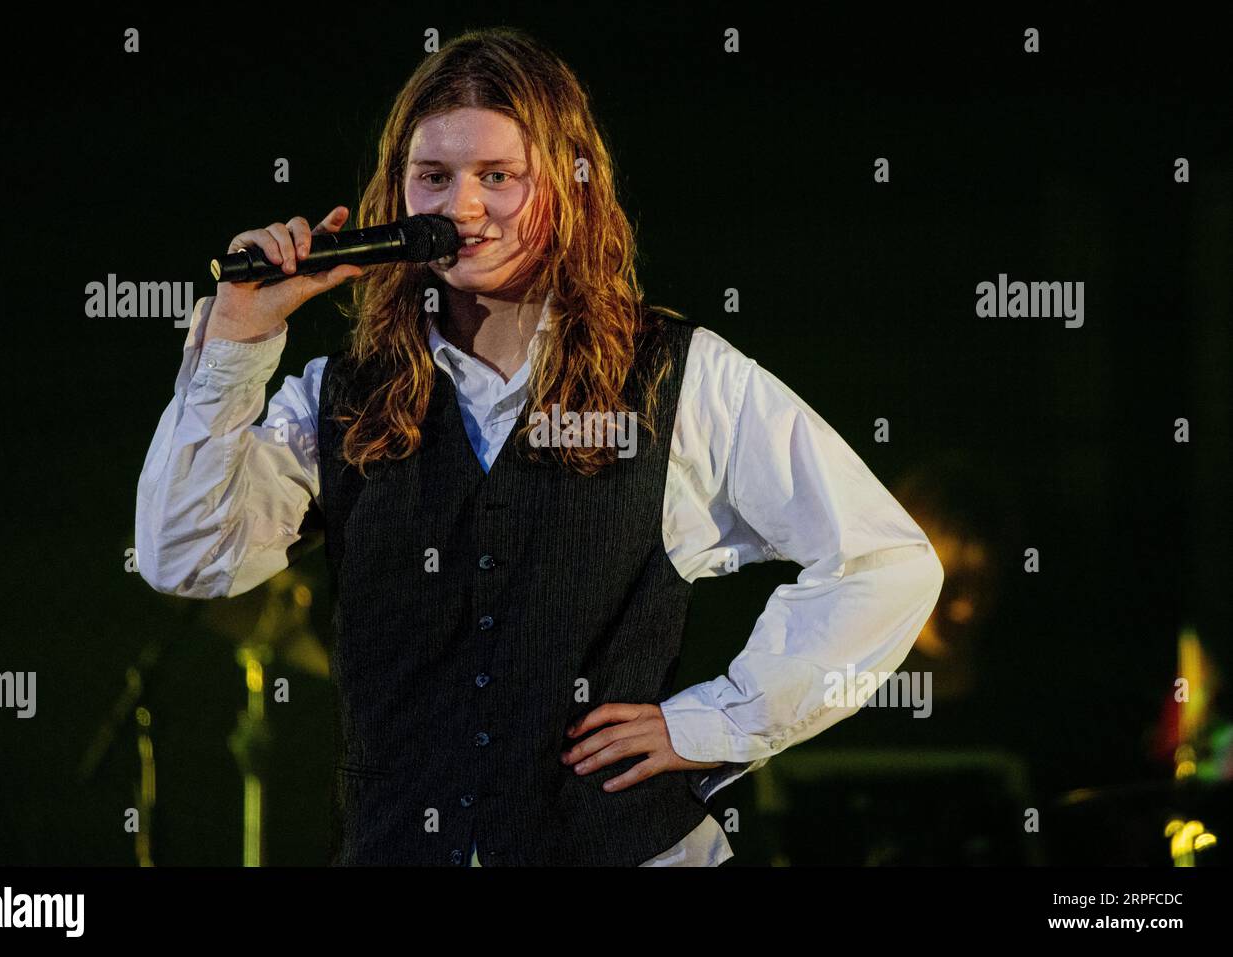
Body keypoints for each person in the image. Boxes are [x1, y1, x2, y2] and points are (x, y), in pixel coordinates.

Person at [135, 26, 944, 866]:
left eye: (498, 176)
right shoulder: (340, 395)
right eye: (434, 177)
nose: (463, 208)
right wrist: (235, 339)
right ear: (397, 192)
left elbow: (885, 562)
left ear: (565, 185)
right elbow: (182, 554)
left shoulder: (678, 377)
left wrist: (714, 722)